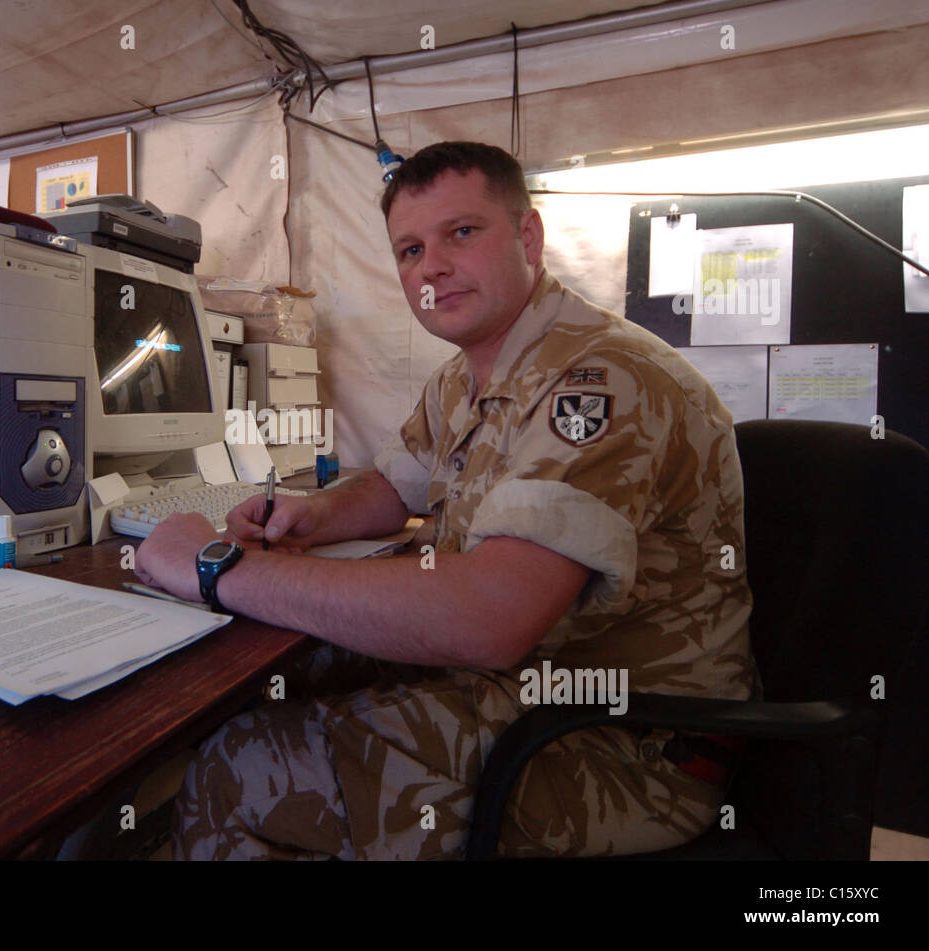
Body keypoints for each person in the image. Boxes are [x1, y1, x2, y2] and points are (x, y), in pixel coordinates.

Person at [134, 141, 757, 860]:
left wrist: (218, 567)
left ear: (528, 237)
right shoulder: (463, 378)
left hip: (622, 742)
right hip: (522, 691)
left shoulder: (602, 381)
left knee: (237, 770)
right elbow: (393, 484)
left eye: (461, 233)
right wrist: (312, 515)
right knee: (274, 680)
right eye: (408, 249)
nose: (430, 266)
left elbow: (491, 619)